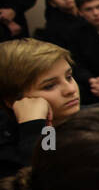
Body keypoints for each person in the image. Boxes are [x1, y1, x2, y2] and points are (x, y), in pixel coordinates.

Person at [0, 39, 80, 182]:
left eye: (69, 77)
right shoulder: (7, 153)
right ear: (12, 101)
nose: (71, 89)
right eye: (49, 86)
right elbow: (47, 182)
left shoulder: (90, 121)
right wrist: (33, 127)